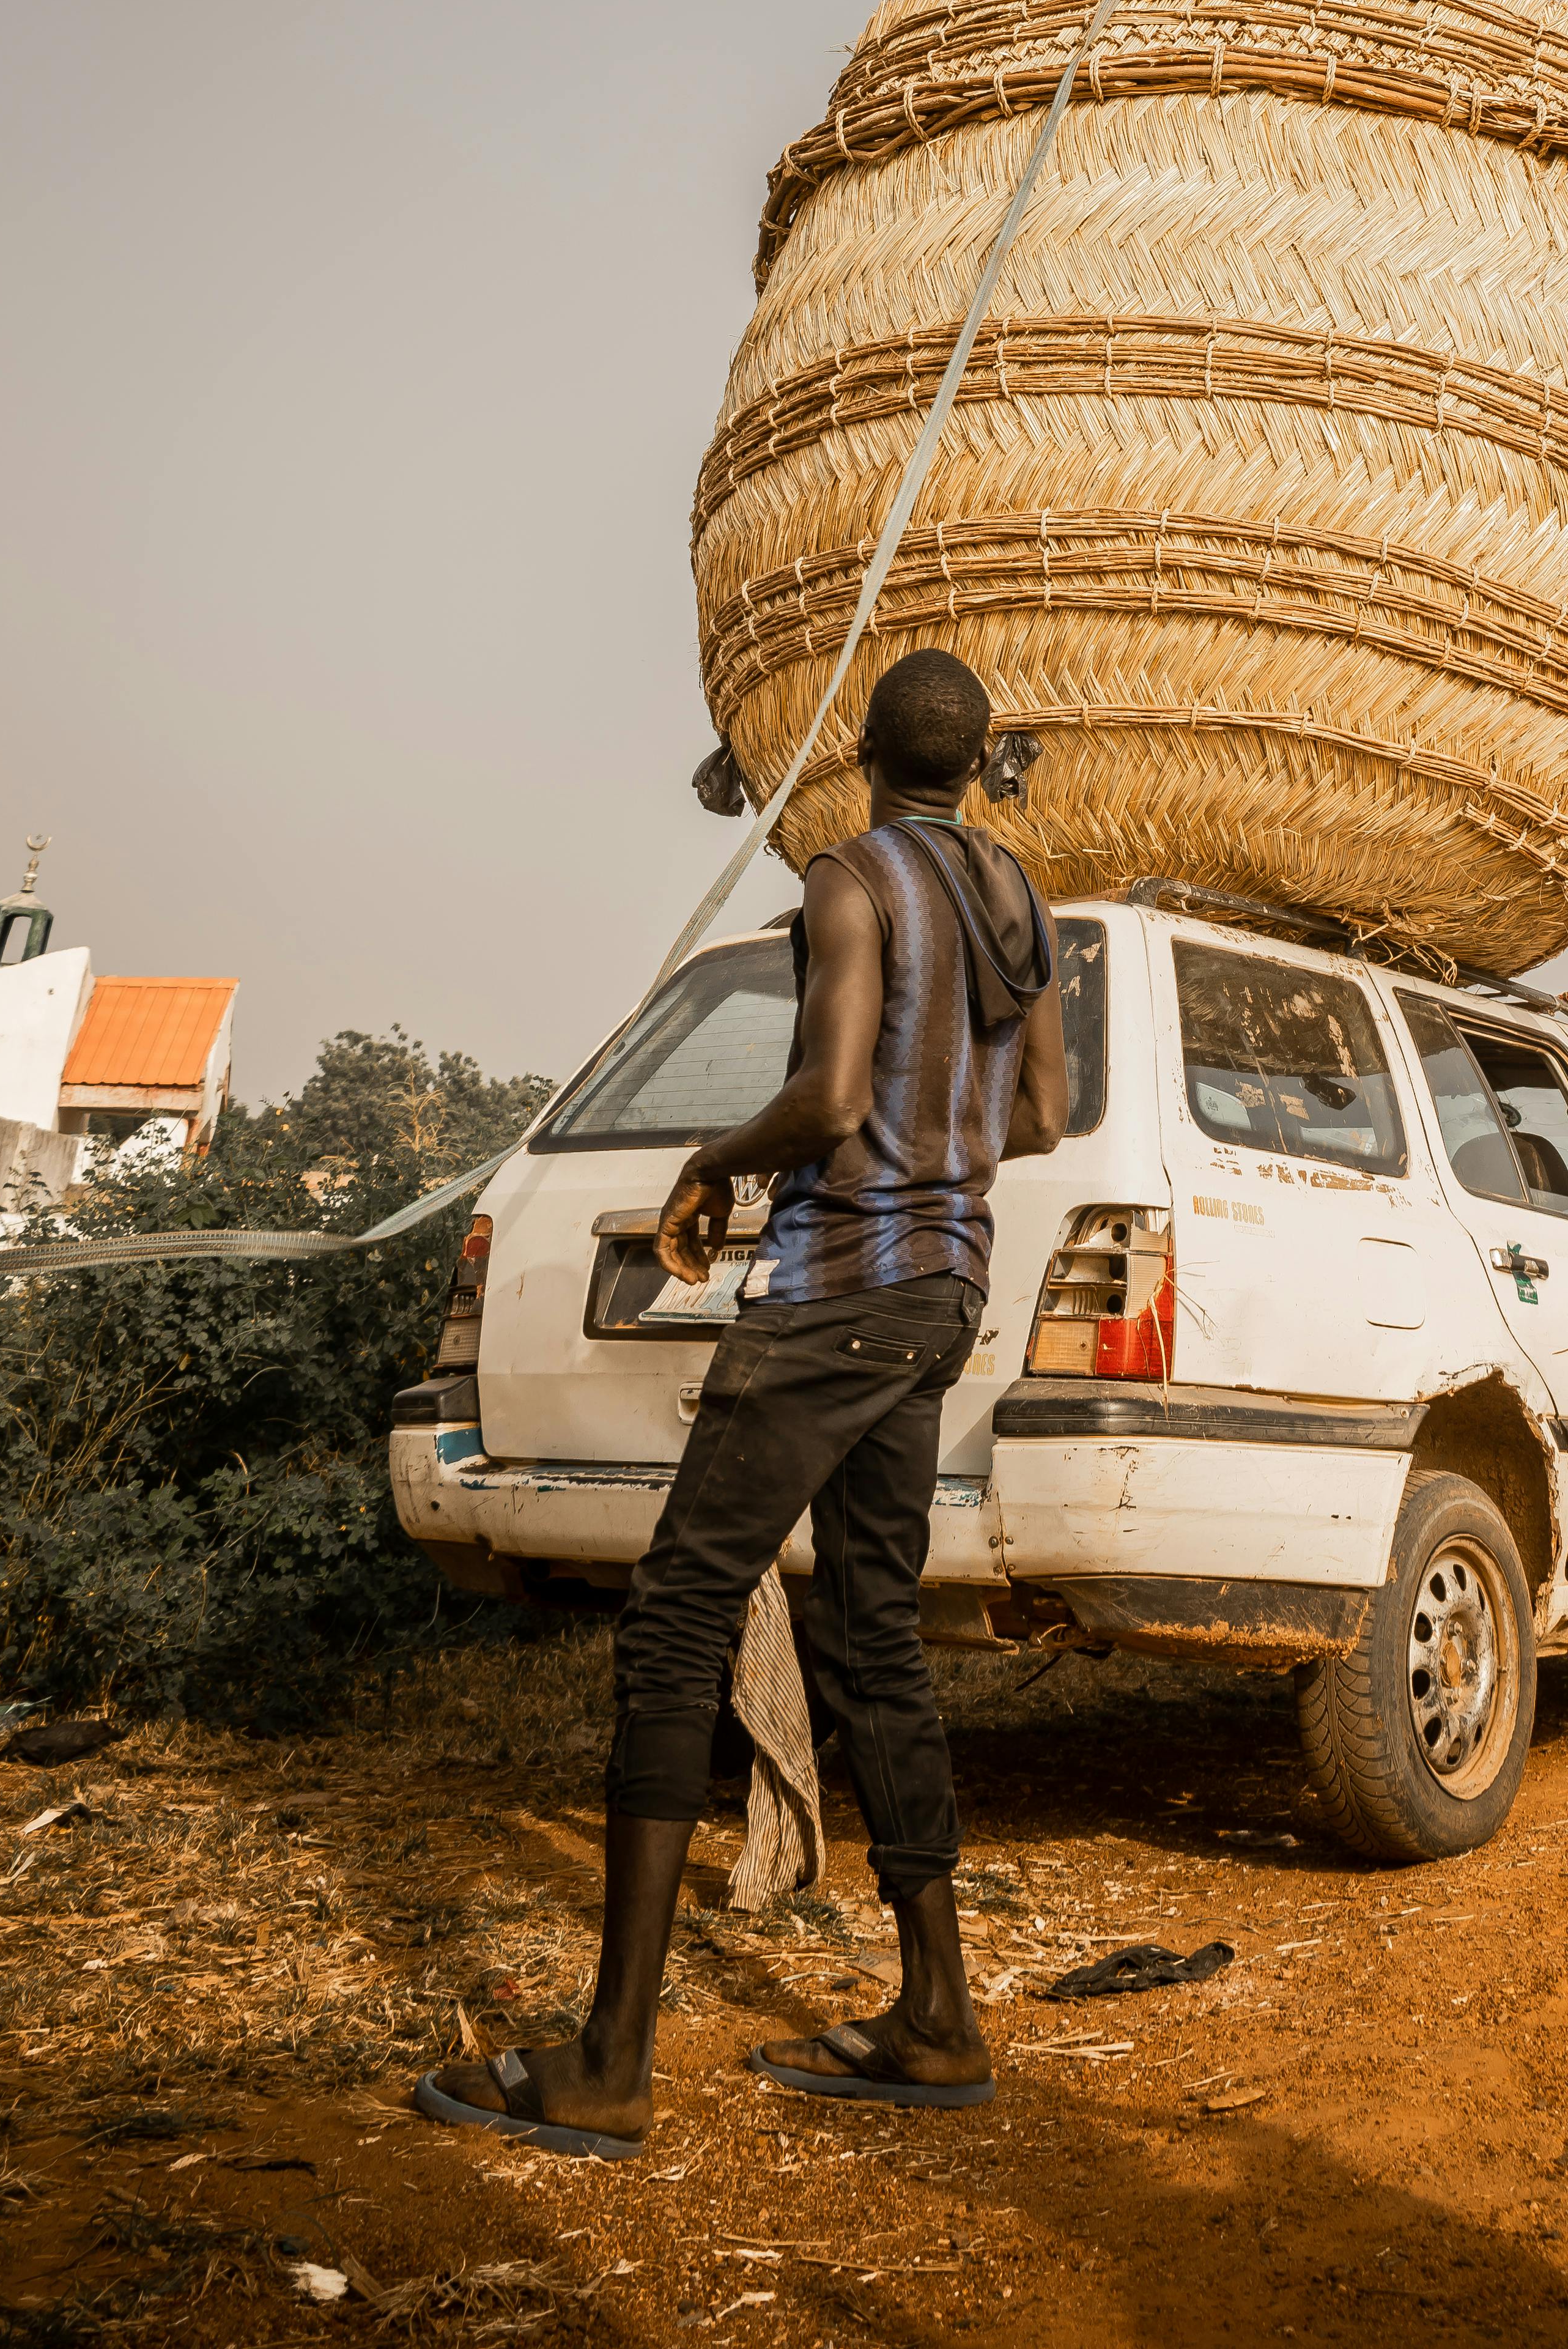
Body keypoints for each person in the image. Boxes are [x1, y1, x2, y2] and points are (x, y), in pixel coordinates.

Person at [419, 649, 1068, 2153]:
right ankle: (937, 2018)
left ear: (862, 753)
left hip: (838, 1292)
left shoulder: (851, 883)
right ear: (974, 764)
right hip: (940, 1293)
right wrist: (941, 1161)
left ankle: (609, 2060)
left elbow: (832, 1097)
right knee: (870, 1626)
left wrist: (713, 1159)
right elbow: (1036, 1111)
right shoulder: (1025, 905)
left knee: (679, 1610)